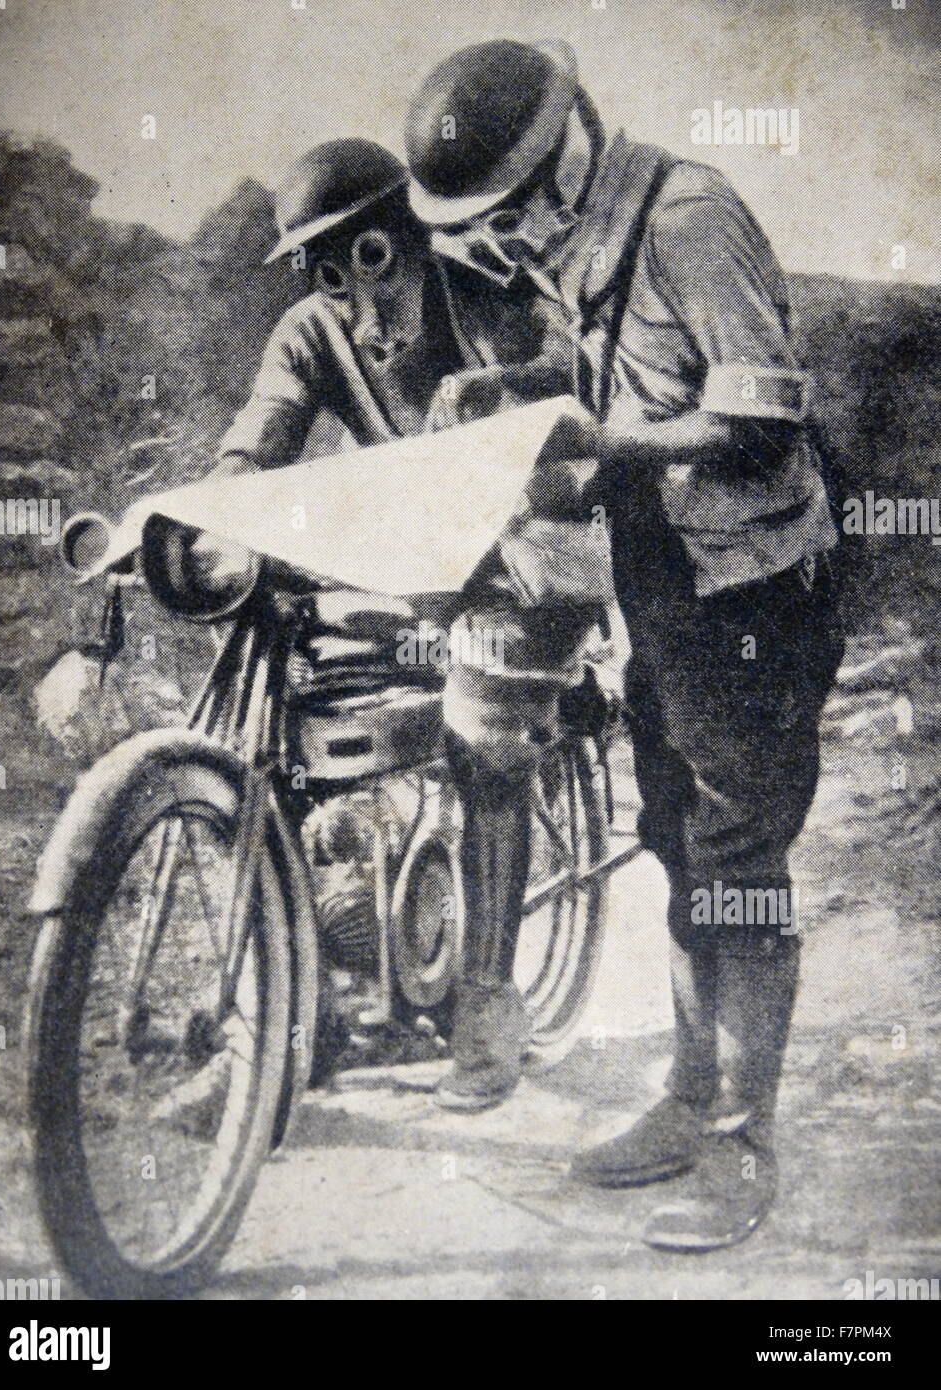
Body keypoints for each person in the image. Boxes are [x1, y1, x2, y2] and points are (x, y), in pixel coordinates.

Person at [404, 38, 844, 1247]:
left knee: (739, 859)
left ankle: (740, 1147)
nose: (500, 245)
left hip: (753, 590)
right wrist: (523, 388)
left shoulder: (690, 215)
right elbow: (626, 362)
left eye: (506, 215)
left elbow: (758, 414)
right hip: (667, 578)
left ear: (569, 152)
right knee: (677, 837)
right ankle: (692, 1098)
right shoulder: (582, 230)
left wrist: (597, 447)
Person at [200, 136, 611, 1111]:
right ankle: (282, 1026)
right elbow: (259, 437)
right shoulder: (309, 331)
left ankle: (486, 1008)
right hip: (419, 557)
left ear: (412, 235)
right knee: (255, 736)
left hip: (531, 547)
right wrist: (224, 508)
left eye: (372, 257)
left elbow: (570, 380)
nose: (355, 291)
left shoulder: (487, 289)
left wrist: (497, 391)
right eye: (327, 269)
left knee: (481, 744)